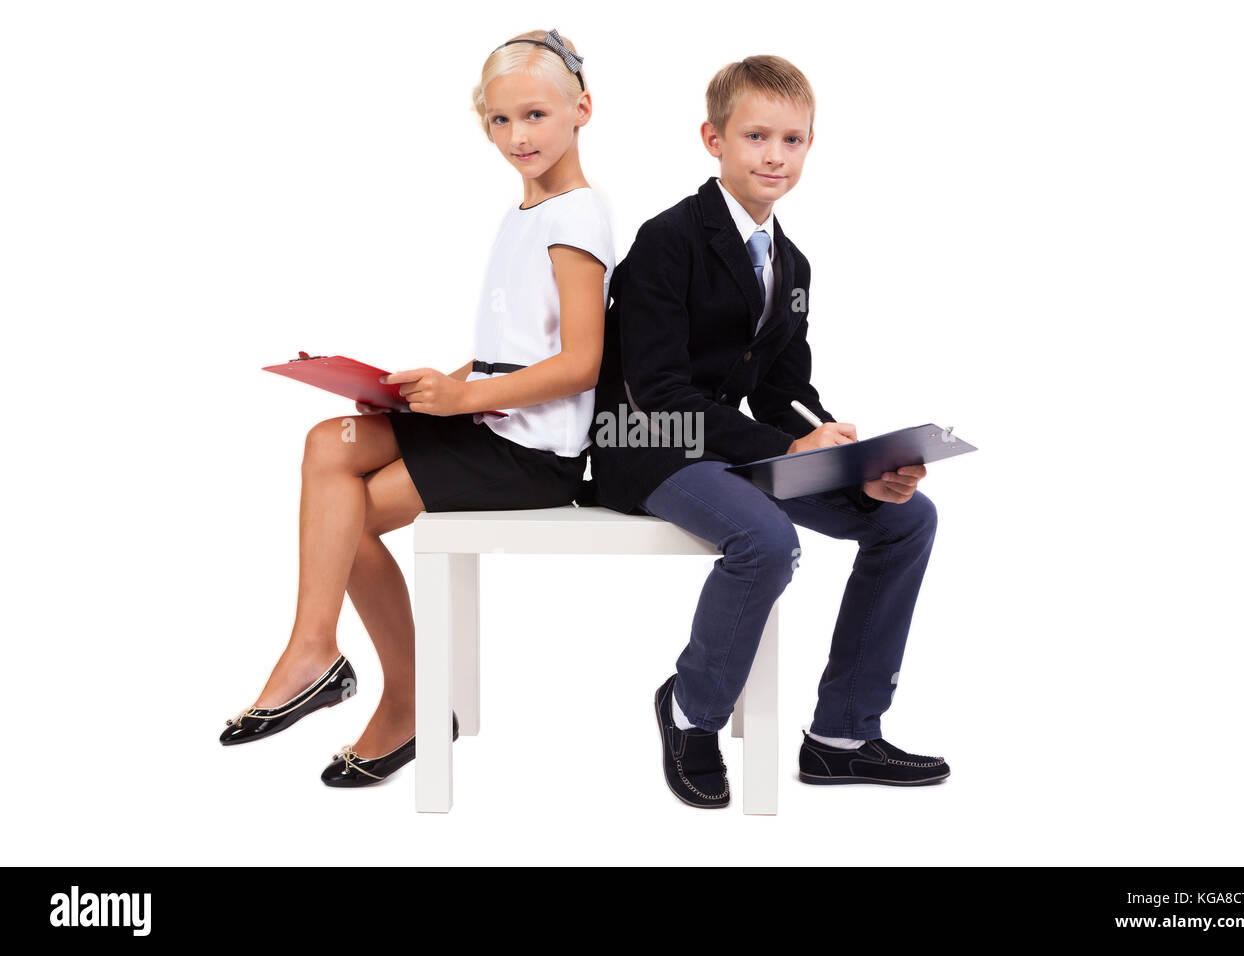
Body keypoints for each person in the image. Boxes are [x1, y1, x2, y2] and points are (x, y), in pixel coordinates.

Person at [219, 28, 614, 789]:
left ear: (581, 109)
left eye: (534, 115)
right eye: (499, 121)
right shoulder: (524, 214)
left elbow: (580, 363)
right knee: (327, 441)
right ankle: (321, 651)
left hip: (534, 457)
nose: (516, 136)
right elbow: (518, 347)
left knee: (352, 511)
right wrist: (434, 388)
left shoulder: (577, 216)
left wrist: (465, 398)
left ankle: (388, 692)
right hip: (494, 425)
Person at [586, 54, 947, 809]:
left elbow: (785, 393)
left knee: (906, 516)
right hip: (648, 446)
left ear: (811, 145)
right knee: (766, 539)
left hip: (728, 452)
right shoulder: (668, 240)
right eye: (755, 136)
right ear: (713, 140)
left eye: (793, 139)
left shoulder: (794, 263)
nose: (774, 156)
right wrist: (786, 449)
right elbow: (656, 394)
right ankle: (691, 712)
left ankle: (842, 737)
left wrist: (848, 455)